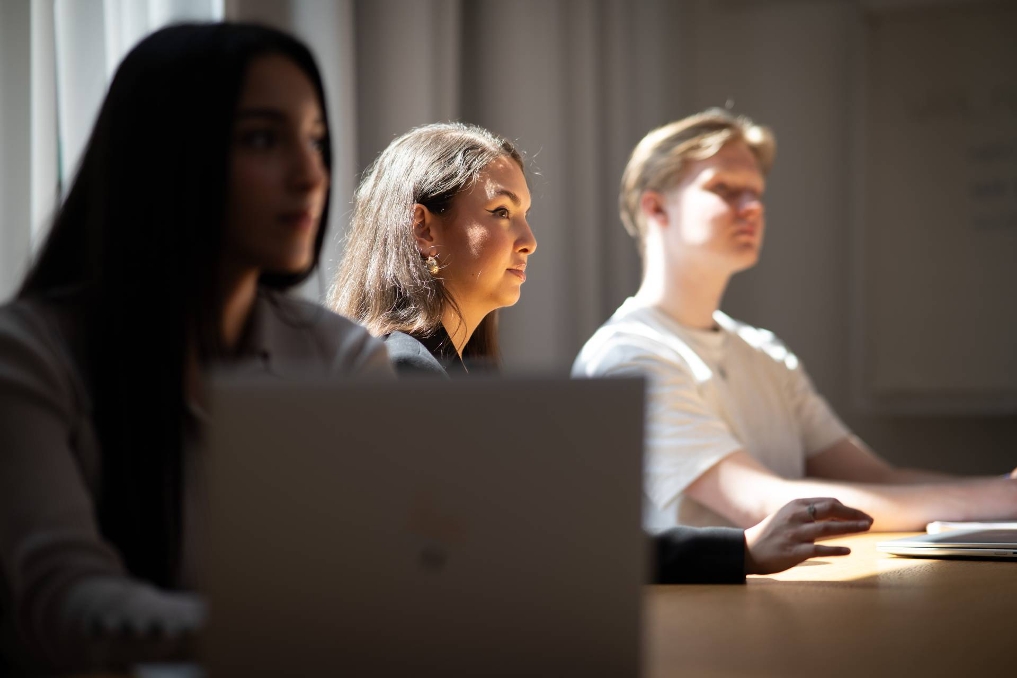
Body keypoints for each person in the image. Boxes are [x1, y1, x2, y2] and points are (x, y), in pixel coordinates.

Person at [0, 23, 391, 673]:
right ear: (165, 154)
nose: (310, 174)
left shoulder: (344, 358)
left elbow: (384, 577)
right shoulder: (30, 355)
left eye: (316, 140)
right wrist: (282, 634)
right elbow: (67, 602)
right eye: (262, 139)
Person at [330, 122, 873, 585]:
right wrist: (740, 551)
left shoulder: (456, 372)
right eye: (500, 211)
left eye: (525, 213)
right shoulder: (400, 369)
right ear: (423, 228)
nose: (529, 238)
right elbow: (528, 546)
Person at [572, 108, 1017, 534]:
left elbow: (878, 479)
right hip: (696, 612)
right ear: (656, 209)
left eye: (757, 192)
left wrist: (1002, 489)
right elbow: (764, 505)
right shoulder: (630, 355)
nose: (752, 206)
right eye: (725, 188)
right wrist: (1001, 499)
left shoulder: (766, 353)